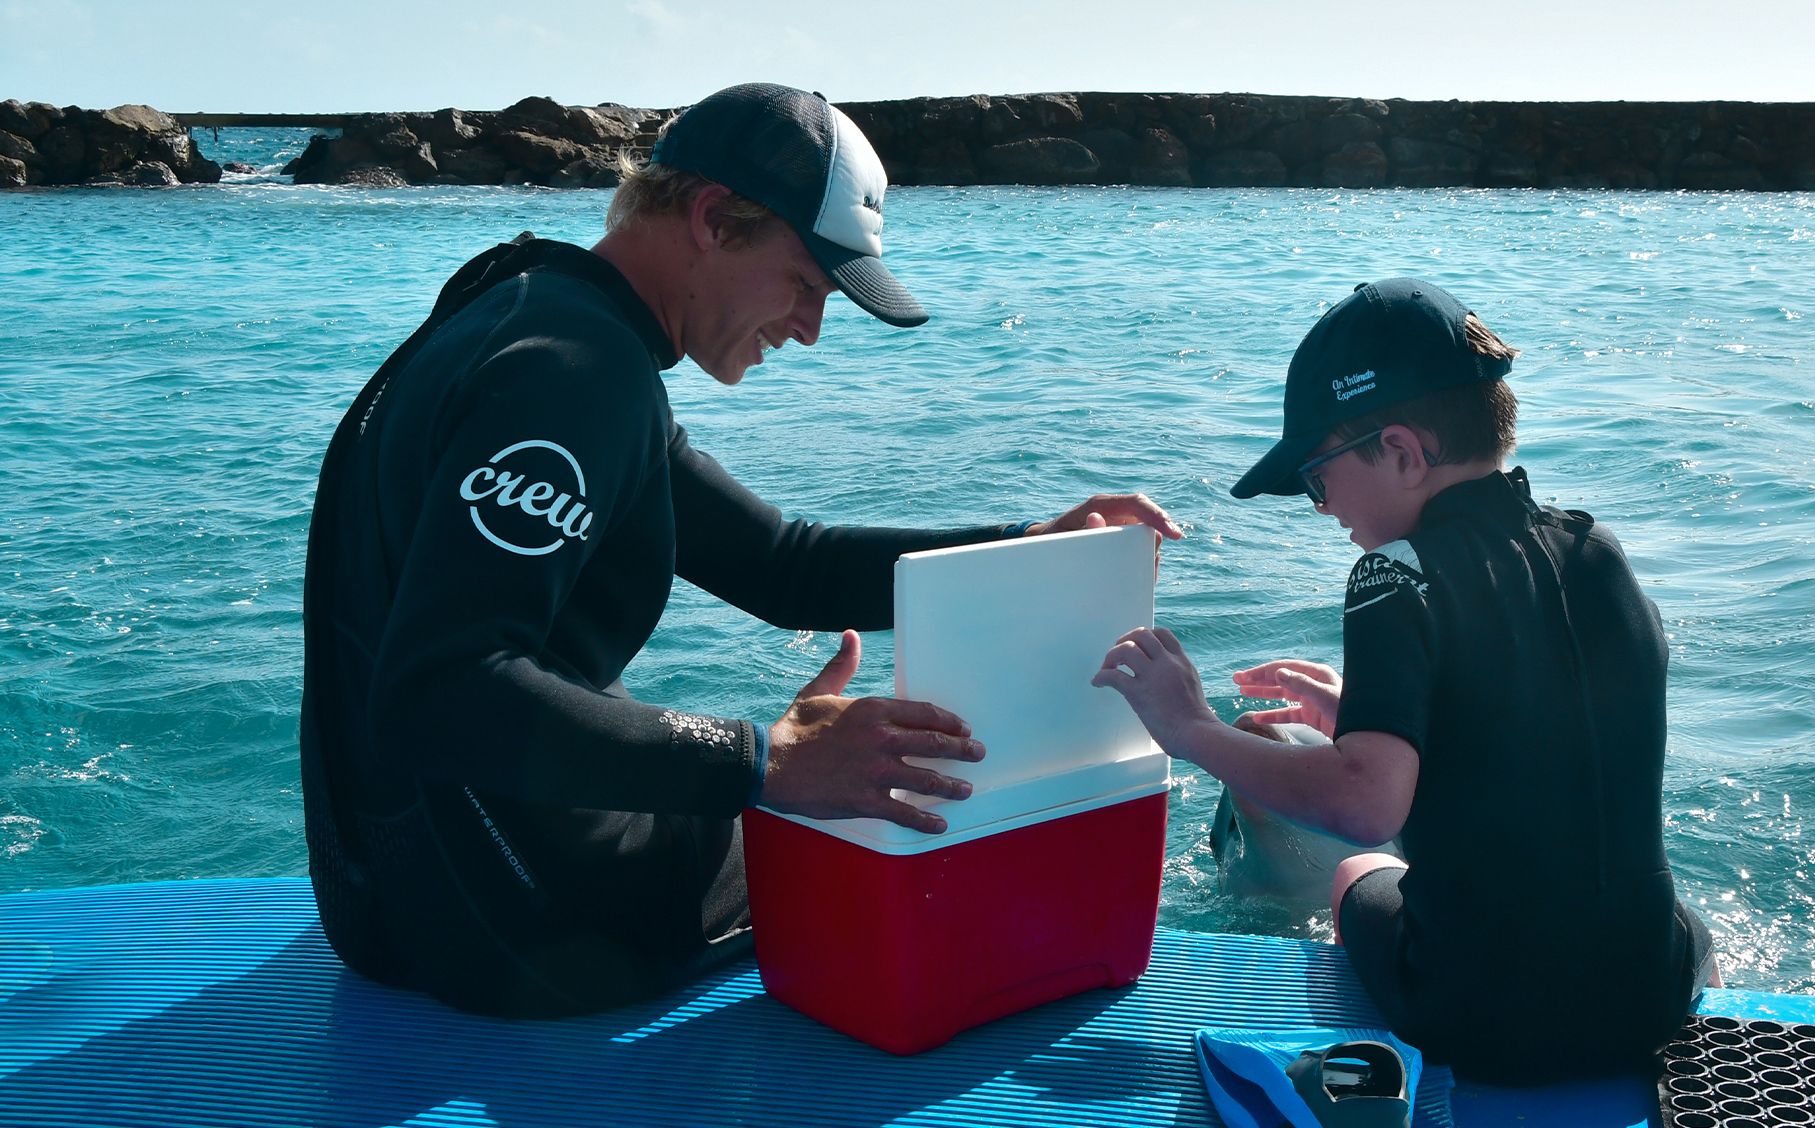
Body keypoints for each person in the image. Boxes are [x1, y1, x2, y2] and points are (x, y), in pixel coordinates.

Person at [300, 82, 1177, 1018]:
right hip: (520, 925)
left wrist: (1022, 545)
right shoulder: (577, 375)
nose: (811, 326)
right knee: (914, 823)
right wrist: (765, 762)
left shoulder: (535, 318)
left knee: (813, 789)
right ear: (714, 220)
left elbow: (779, 562)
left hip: (393, 897)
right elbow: (438, 695)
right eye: (805, 284)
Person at [1093, 278, 1714, 1084]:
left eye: (1318, 477)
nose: (1322, 508)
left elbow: (1364, 806)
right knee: (1655, 910)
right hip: (1649, 994)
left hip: (1485, 1020)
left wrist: (1191, 730)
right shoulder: (1597, 552)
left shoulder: (1395, 574)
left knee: (1357, 871)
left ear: (1401, 451)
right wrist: (1359, 713)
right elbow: (1556, 742)